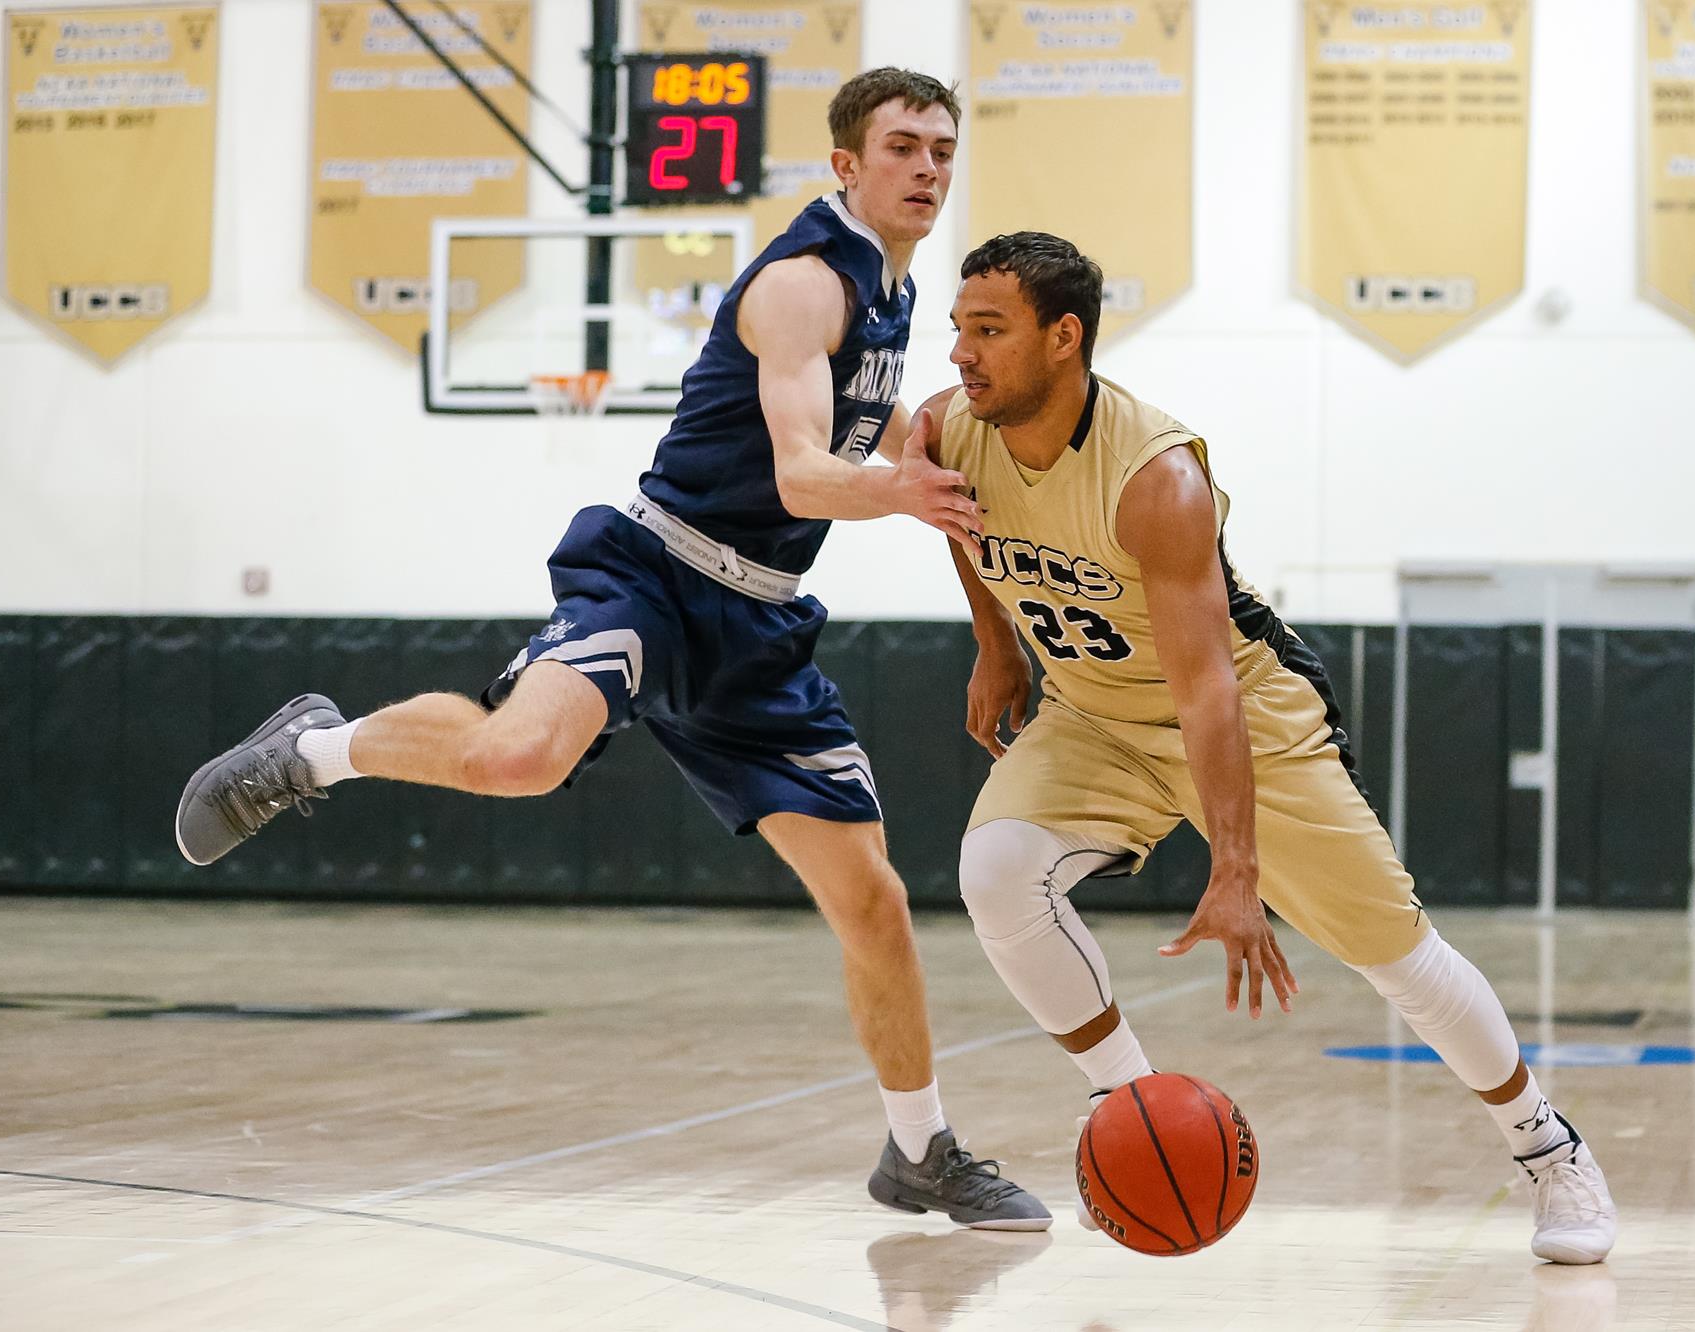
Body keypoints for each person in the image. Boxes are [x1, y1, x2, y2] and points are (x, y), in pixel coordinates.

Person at [173, 70, 1049, 1231]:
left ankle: (917, 1151)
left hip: (759, 632)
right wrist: (905, 488)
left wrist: (936, 434)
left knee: (874, 901)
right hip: (655, 574)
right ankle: (314, 751)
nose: (927, 167)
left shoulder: (892, 294)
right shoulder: (799, 284)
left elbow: (865, 429)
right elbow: (800, 472)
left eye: (941, 148)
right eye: (902, 147)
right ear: (846, 165)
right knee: (518, 760)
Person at [917, 231, 1616, 1262]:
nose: (960, 354)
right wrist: (994, 648)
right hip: (1091, 713)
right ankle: (1132, 1111)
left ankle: (1548, 1151)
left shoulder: (1154, 476)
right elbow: (958, 526)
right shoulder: (943, 432)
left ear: (1062, 339)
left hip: (1245, 714)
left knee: (1396, 956)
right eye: (956, 330)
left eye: (987, 330)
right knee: (995, 870)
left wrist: (1235, 871)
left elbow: (1204, 693)